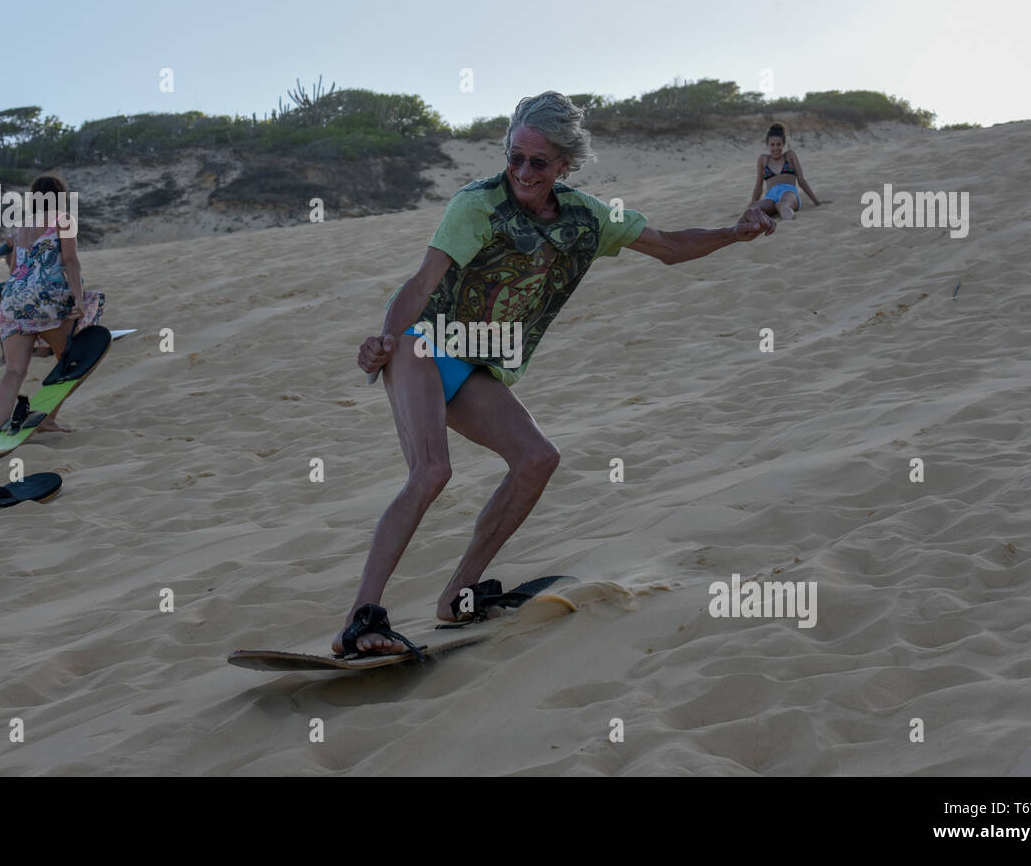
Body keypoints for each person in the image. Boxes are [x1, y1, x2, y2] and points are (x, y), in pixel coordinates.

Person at [336, 91, 777, 657]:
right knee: (432, 471)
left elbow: (667, 246)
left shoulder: (588, 218)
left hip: (473, 359)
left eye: (537, 162)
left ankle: (459, 595)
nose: (521, 171)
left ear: (565, 163)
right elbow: (421, 283)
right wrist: (385, 340)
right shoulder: (477, 206)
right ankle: (360, 621)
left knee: (537, 459)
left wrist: (733, 233)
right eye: (514, 157)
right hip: (420, 340)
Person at [0, 174, 104, 432]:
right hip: (46, 298)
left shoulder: (22, 228)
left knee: (13, 370)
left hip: (12, 298)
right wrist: (78, 297)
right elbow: (70, 261)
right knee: (69, 361)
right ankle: (47, 418)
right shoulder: (63, 221)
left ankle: (1, 425)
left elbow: (14, 269)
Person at [748, 122, 827, 220]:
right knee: (753, 209)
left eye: (779, 144)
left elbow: (801, 181)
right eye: (772, 145)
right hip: (770, 197)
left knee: (783, 205)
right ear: (767, 145)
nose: (775, 148)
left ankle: (788, 223)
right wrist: (752, 204)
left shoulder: (790, 156)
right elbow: (758, 187)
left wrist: (816, 202)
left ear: (784, 144)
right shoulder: (763, 159)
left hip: (789, 193)